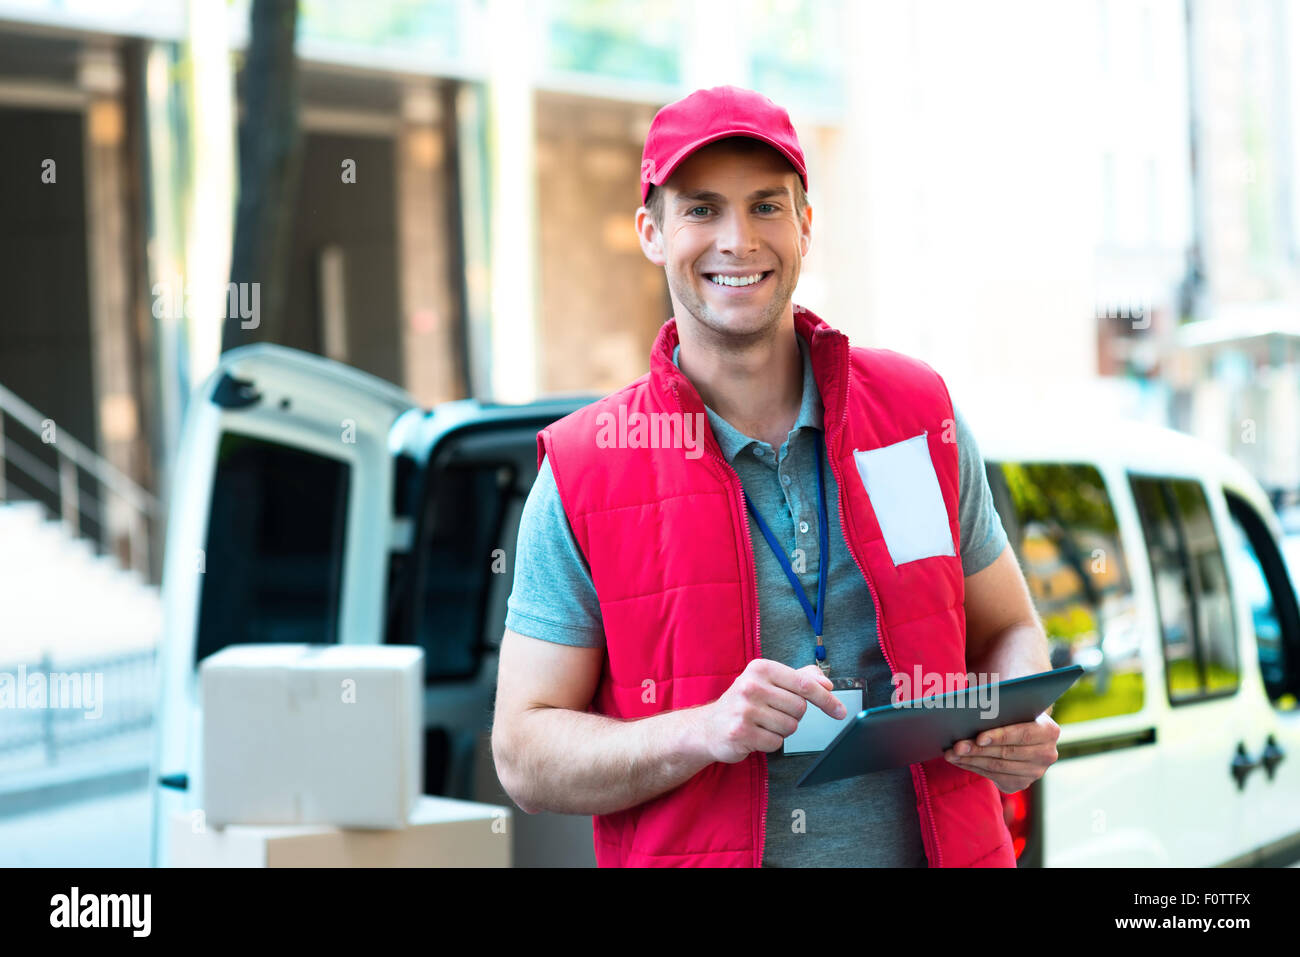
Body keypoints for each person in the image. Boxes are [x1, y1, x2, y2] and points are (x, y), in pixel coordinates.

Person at [491, 85, 1059, 867]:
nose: (737, 239)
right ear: (651, 232)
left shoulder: (916, 416)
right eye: (701, 209)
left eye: (765, 206)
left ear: (805, 226)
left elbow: (1011, 629)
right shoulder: (588, 471)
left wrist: (1011, 712)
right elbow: (523, 752)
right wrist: (702, 729)